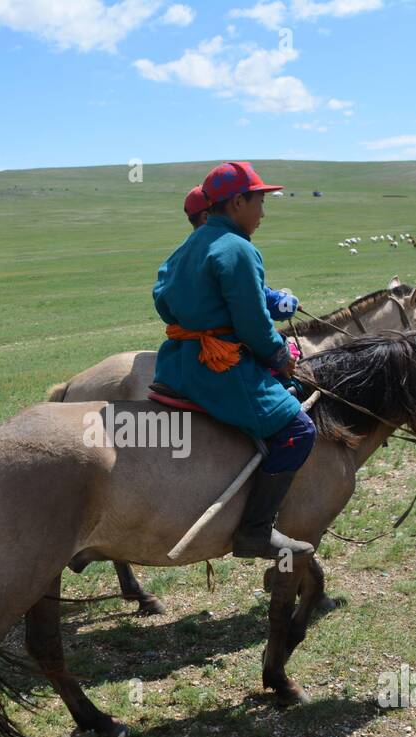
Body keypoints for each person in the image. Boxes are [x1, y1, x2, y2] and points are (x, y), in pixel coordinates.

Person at [154, 162, 317, 560]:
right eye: (259, 201)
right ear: (238, 201)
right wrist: (280, 357)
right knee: (299, 429)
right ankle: (256, 530)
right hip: (219, 369)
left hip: (178, 361)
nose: (263, 212)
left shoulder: (187, 246)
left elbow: (162, 300)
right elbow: (253, 323)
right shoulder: (239, 249)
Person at [184, 185, 300, 322]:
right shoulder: (229, 253)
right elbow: (261, 301)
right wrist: (290, 302)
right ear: (206, 217)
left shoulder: (185, 253)